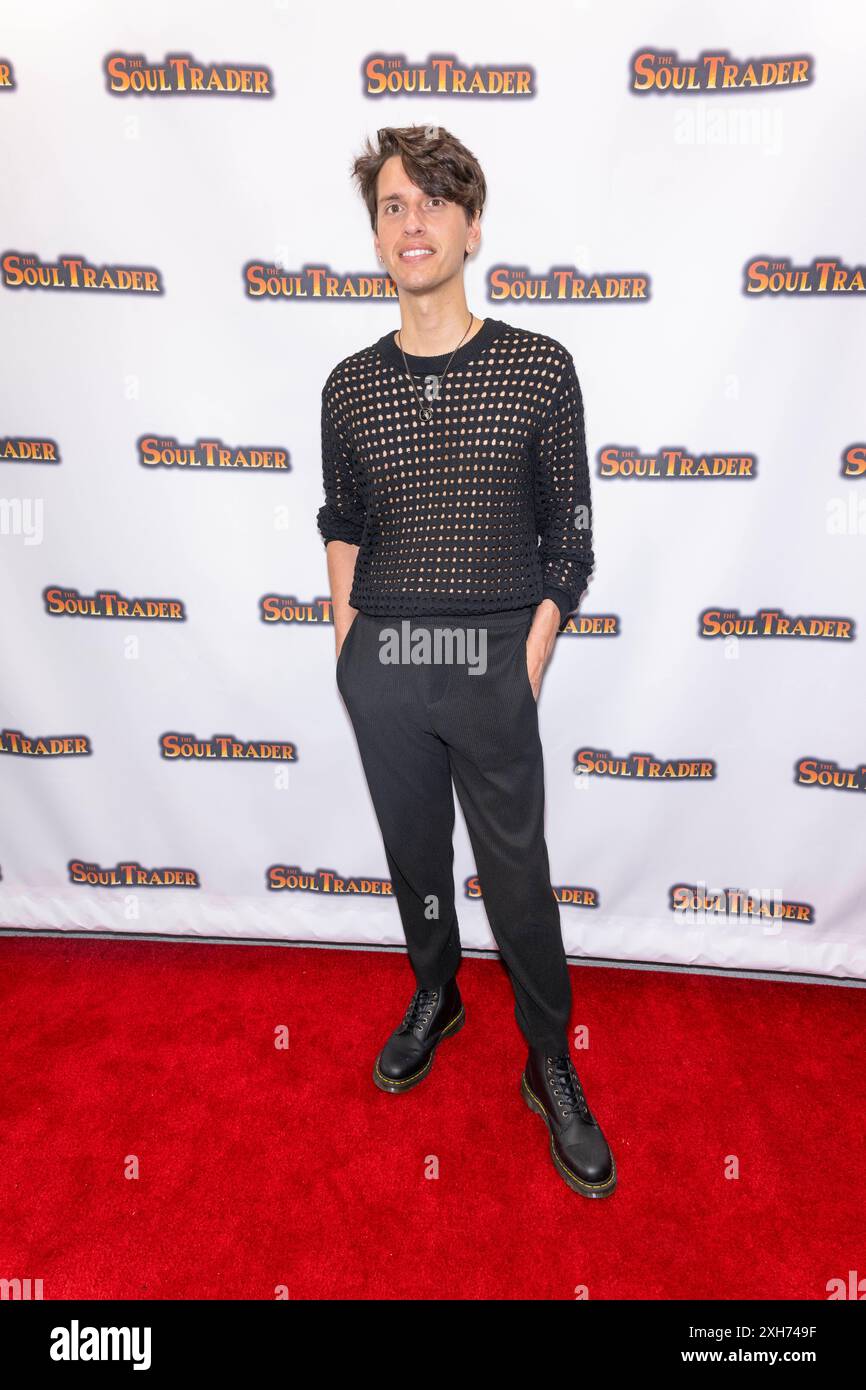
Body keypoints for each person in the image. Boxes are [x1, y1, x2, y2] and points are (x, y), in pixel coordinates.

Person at [316, 124, 615, 1198]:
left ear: (470, 227)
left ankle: (548, 1059)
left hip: (493, 652)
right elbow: (341, 518)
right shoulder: (349, 386)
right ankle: (436, 992)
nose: (413, 223)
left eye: (434, 203)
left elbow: (568, 544)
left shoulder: (538, 367)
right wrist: (348, 644)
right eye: (394, 205)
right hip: (384, 653)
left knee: (518, 877)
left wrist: (520, 665)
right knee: (414, 859)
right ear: (377, 233)